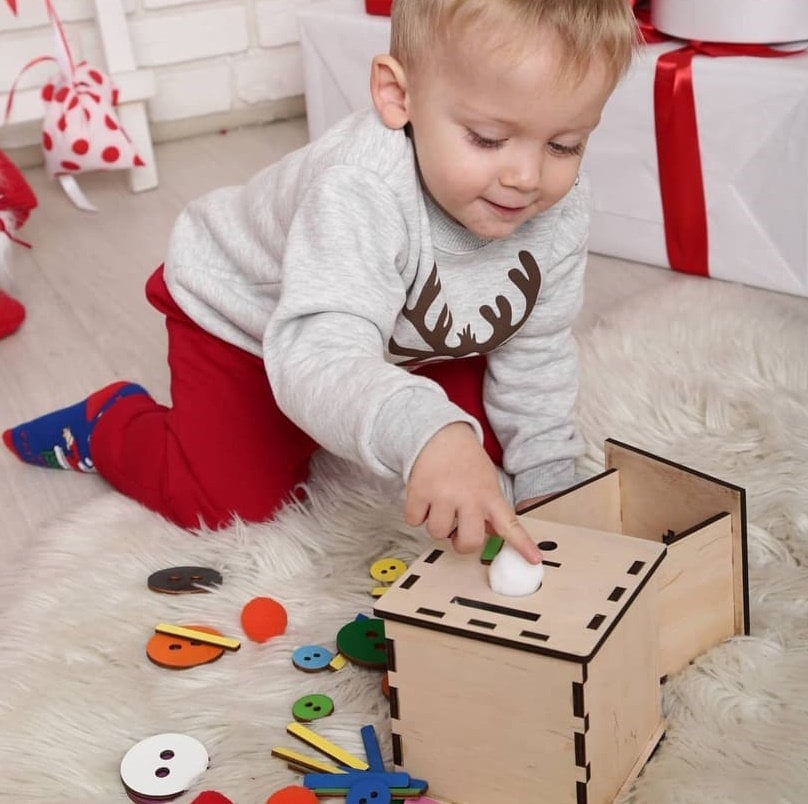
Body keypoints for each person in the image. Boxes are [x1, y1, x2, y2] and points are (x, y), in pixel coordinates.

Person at [3, 0, 637, 564]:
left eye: (564, 145)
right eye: (489, 138)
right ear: (398, 95)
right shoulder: (357, 188)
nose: (528, 177)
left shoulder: (558, 206)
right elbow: (318, 355)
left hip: (391, 328)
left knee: (489, 456)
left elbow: (536, 343)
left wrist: (550, 481)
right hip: (253, 323)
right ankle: (109, 422)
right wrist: (428, 432)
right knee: (225, 504)